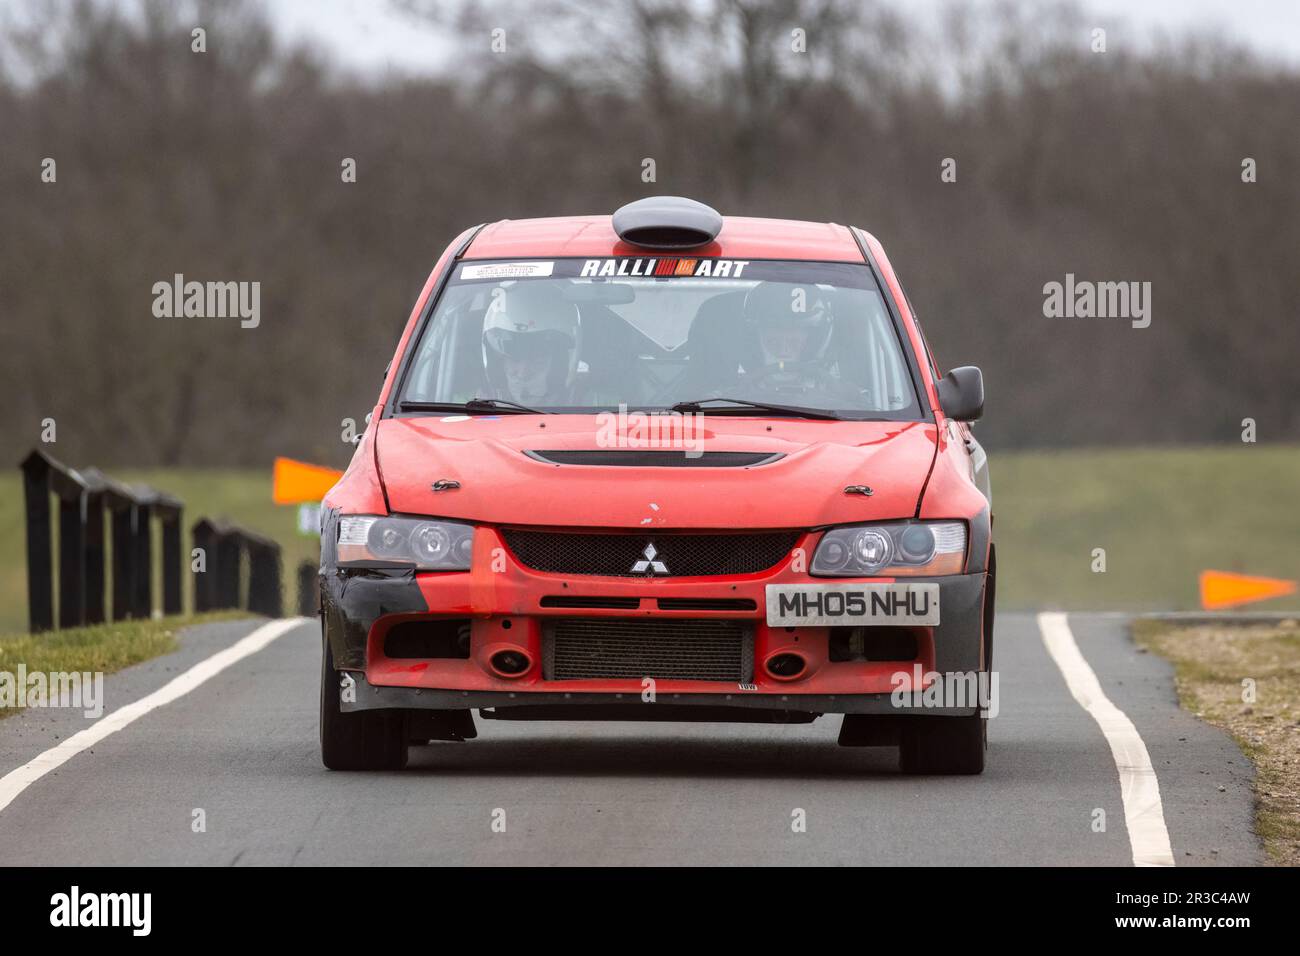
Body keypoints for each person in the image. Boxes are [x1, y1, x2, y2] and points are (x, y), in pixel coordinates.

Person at [481, 281, 582, 405]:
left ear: (560, 366)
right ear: (498, 363)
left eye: (537, 361)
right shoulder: (466, 406)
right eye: (514, 359)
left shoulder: (594, 406)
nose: (523, 373)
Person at [738, 281, 838, 393]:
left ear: (815, 342)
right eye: (774, 342)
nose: (783, 351)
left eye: (794, 342)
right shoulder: (726, 399)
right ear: (755, 341)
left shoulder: (849, 399)